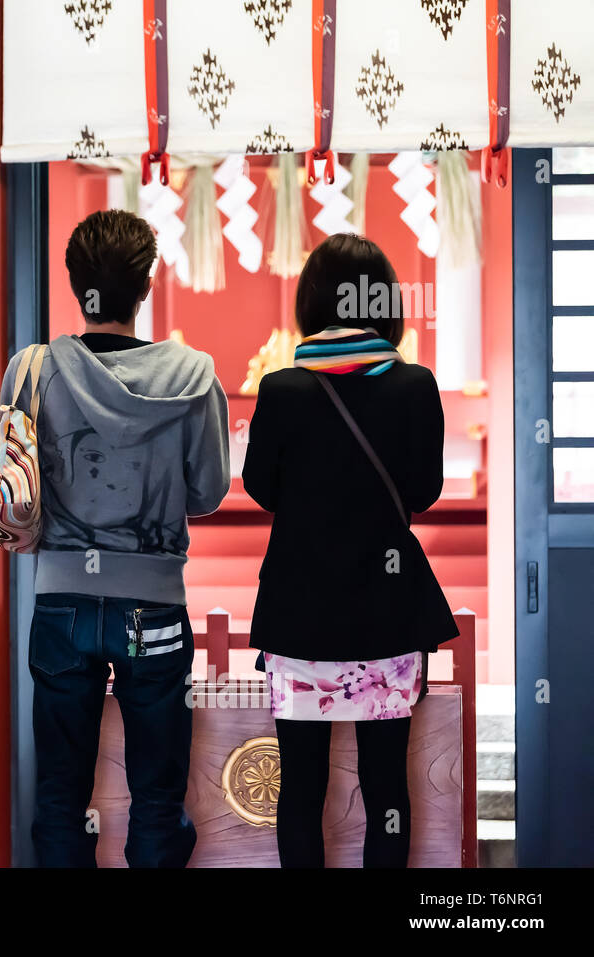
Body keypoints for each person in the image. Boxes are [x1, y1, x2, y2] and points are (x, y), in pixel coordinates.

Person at [1, 209, 230, 867]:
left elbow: (18, 483)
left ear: (76, 285)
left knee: (59, 795)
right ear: (146, 286)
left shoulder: (32, 370)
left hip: (62, 603)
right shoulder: (192, 375)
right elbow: (209, 491)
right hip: (151, 606)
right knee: (157, 798)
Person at [242, 233, 459, 868]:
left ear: (311, 304)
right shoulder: (417, 386)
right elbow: (423, 492)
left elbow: (260, 489)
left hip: (298, 611)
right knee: (386, 785)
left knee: (302, 787)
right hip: (387, 615)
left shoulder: (280, 389)